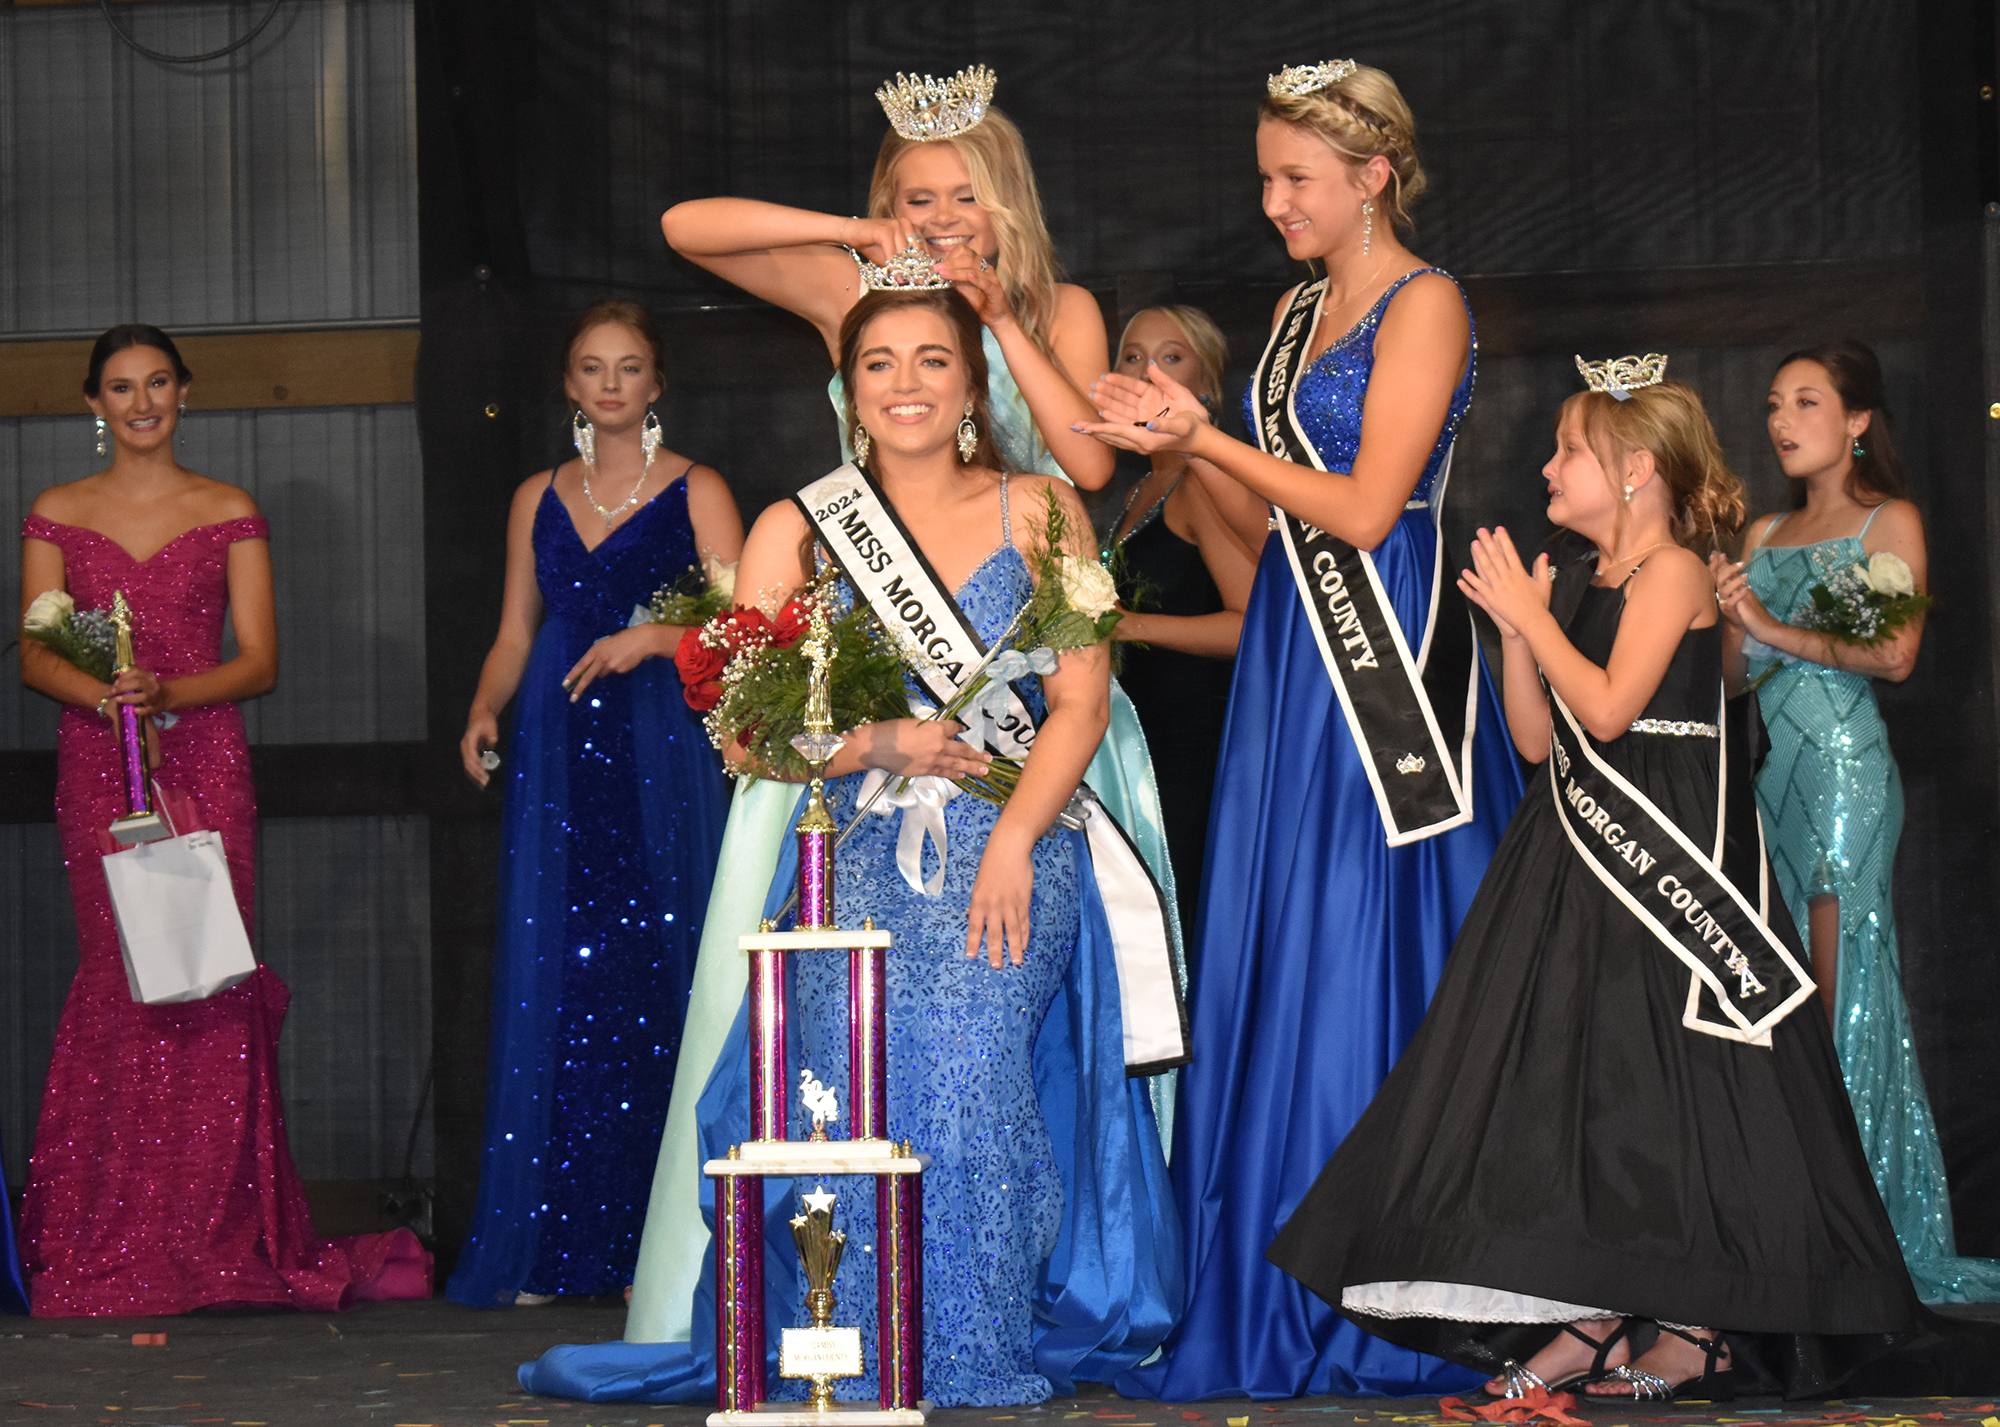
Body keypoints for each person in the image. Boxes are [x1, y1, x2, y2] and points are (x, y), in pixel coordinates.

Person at [522, 287, 1179, 1404]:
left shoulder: (1045, 509)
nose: (907, 383)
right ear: (848, 385)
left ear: (973, 385)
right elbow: (746, 729)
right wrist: (878, 738)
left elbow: (1078, 702)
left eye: (933, 359)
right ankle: (856, 1337)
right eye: (880, 362)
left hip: (1014, 838)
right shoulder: (800, 524)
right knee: (852, 1095)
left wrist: (1017, 838)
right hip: (856, 846)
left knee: (970, 1075)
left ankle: (970, 1343)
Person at [619, 64, 1185, 1350]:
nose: (938, 215)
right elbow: (685, 229)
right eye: (913, 196)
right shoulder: (855, 291)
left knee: (1040, 1034)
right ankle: (841, 1313)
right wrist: (854, 242)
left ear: (1006, 202)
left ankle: (1026, 1293)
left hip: (1026, 716)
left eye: (962, 194)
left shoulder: (1059, 313)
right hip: (857, 725)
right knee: (831, 1041)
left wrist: (994, 318)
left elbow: (1088, 465)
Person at [1265, 359, 1922, 1401]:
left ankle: (1689, 1327)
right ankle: (1594, 1311)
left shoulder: (1672, 567)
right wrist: (1516, 627)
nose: (1545, 465)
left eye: (1566, 448)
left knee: (1677, 1092)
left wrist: (1529, 622)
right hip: (1575, 850)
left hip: (1669, 853)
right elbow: (1538, 737)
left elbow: (1612, 711)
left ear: (1630, 470)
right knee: (1591, 1094)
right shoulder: (1577, 575)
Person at [1080, 61, 1523, 1397]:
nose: (1273, 201)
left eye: (1296, 179)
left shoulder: (1427, 299)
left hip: (1382, 649)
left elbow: (1373, 509)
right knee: (1286, 945)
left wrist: (1202, 436)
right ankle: (1280, 1264)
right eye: (1267, 176)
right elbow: (1282, 516)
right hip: (1295, 647)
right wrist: (1183, 441)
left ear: (1374, 175)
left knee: (1373, 937)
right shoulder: (1287, 312)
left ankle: (1412, 1273)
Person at [17, 325, 430, 1315]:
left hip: (201, 758)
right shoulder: (56, 513)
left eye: (158, 382)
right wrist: (109, 703)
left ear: (185, 393)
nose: (142, 401)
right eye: (121, 387)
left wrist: (164, 694)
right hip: (100, 768)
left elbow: (261, 662)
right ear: (94, 406)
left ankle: (213, 1231)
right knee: (122, 978)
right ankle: (108, 1230)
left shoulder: (228, 508)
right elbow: (37, 657)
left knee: (203, 980)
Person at [447, 301, 742, 1307]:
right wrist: (483, 709)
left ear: (656, 383)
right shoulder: (536, 493)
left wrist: (655, 640)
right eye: (590, 367)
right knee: (559, 990)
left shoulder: (699, 487)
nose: (610, 382)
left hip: (662, 751)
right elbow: (512, 632)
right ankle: (559, 1246)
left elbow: (749, 624)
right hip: (560, 759)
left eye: (629, 367)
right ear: (569, 385)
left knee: (666, 975)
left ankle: (670, 1253)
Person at [1711, 340, 2000, 1303]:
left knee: (1847, 999)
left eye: (1806, 402)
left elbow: (1898, 653)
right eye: (1774, 404)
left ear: (1858, 419)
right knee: (1784, 1008)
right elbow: (1736, 681)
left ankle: (1863, 1236)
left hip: (1843, 775)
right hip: (1773, 777)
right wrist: (1729, 615)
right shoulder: (1761, 531)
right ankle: (1806, 1224)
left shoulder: (1890, 520)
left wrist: (1774, 628)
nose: (1782, 421)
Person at [1101, 306, 1258, 968]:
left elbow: (1250, 623)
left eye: (1171, 358)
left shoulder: (1198, 484)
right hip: (1146, 742)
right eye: (1133, 356)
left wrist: (1124, 626)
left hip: (1196, 744)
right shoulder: (1142, 484)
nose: (1147, 372)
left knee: (1188, 917)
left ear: (1207, 385)